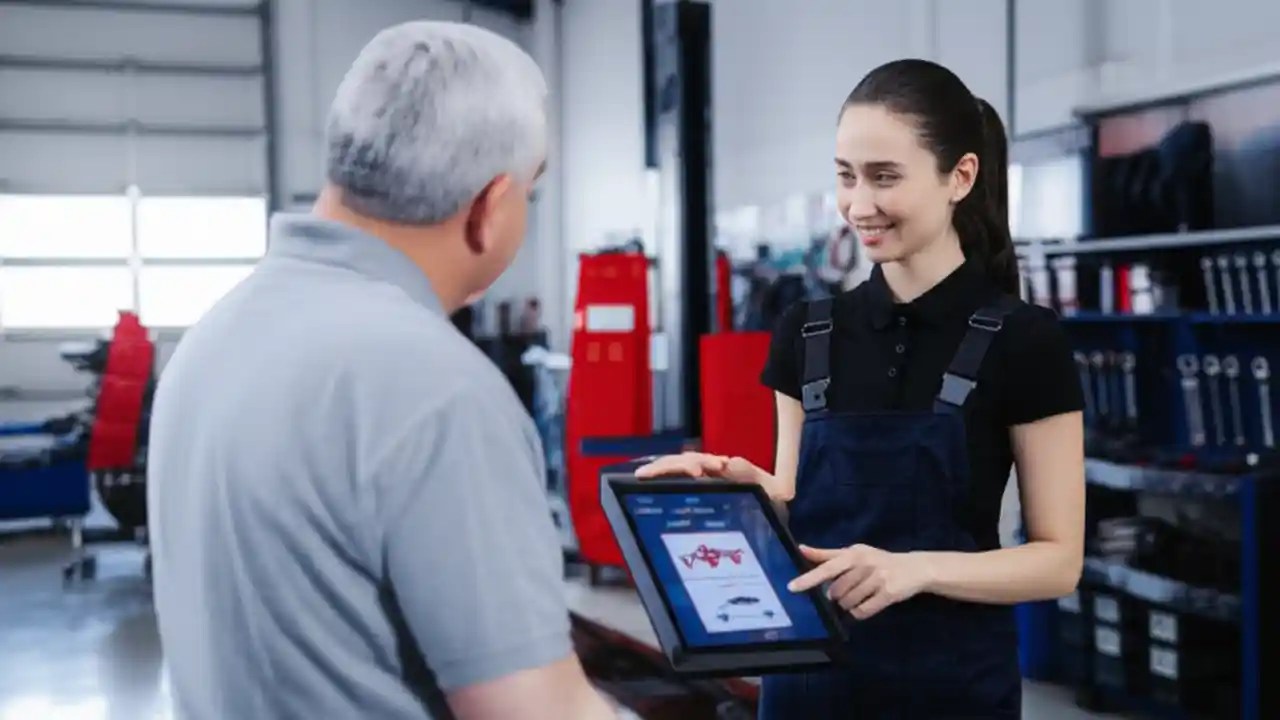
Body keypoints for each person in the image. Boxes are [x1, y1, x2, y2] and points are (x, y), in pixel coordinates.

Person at [147, 21, 617, 720]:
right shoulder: (437, 388)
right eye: (531, 192)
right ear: (489, 208)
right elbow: (535, 709)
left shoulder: (215, 336)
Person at [637, 58, 1085, 718]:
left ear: (961, 176)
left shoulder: (1025, 340)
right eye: (846, 177)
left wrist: (918, 569)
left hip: (951, 691)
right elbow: (796, 505)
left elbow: (1057, 561)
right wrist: (736, 490)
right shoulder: (807, 332)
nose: (858, 205)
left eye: (884, 178)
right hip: (807, 688)